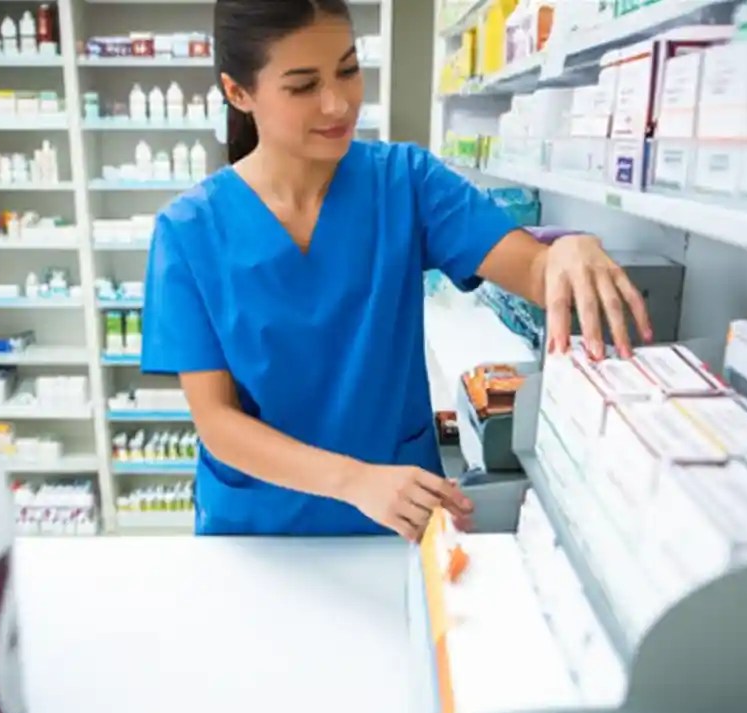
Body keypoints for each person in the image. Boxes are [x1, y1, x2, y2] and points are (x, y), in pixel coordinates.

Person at [141, 0, 652, 540]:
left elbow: (533, 269)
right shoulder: (188, 230)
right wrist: (353, 480)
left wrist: (565, 254)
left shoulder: (405, 182)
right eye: (303, 86)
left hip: (398, 523)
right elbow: (217, 423)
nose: (338, 103)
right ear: (238, 92)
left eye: (348, 69)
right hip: (258, 532)